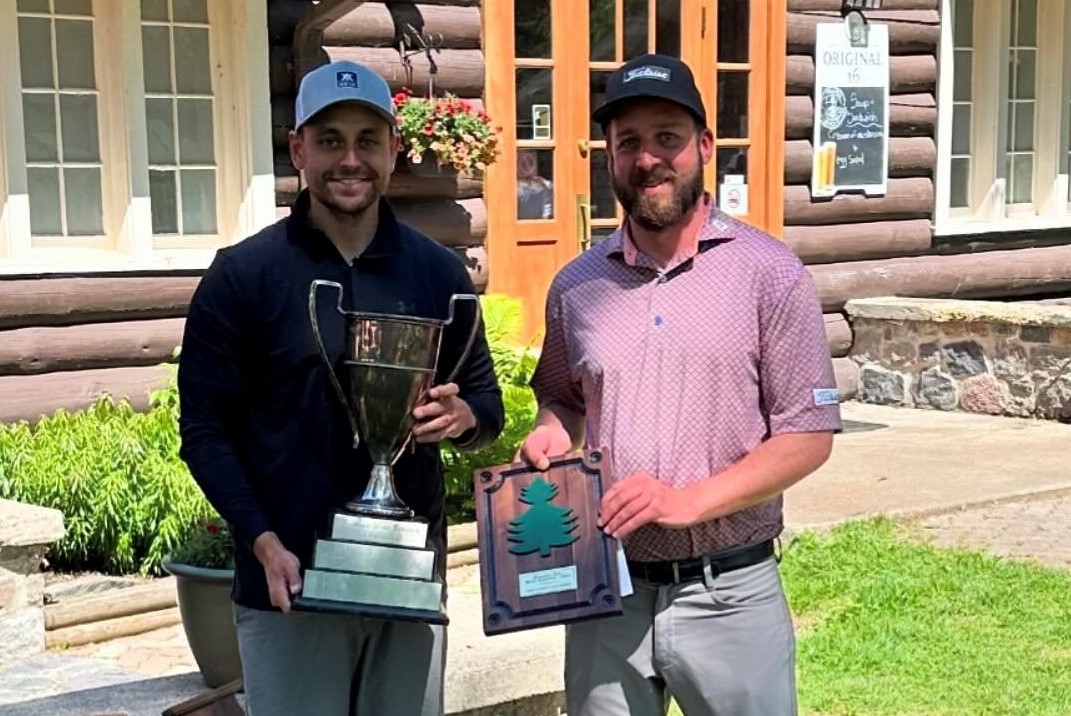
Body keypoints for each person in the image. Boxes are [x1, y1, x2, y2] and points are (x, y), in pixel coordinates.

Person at [177, 59, 504, 716]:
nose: (349, 159)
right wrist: (262, 541)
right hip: (288, 587)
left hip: (407, 586)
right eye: (330, 140)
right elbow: (205, 433)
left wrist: (462, 417)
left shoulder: (437, 273)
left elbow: (486, 405)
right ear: (298, 149)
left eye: (367, 140)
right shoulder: (243, 276)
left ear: (394, 149)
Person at [518, 53, 841, 716]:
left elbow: (807, 436)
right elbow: (563, 399)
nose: (647, 159)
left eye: (667, 137)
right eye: (628, 142)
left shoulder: (769, 274)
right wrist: (550, 436)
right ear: (609, 156)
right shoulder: (576, 286)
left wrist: (688, 501)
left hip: (730, 594)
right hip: (607, 593)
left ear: (704, 146)